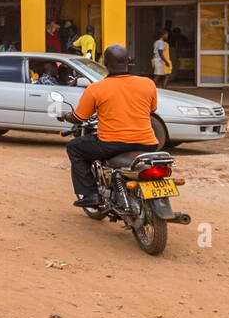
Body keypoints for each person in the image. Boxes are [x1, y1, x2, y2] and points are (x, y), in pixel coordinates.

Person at [60, 44, 159, 208]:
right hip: (148, 143)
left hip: (112, 144)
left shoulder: (96, 89)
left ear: (105, 63)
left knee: (74, 147)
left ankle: (91, 195)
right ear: (128, 61)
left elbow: (79, 117)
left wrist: (66, 116)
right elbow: (152, 109)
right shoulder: (148, 83)